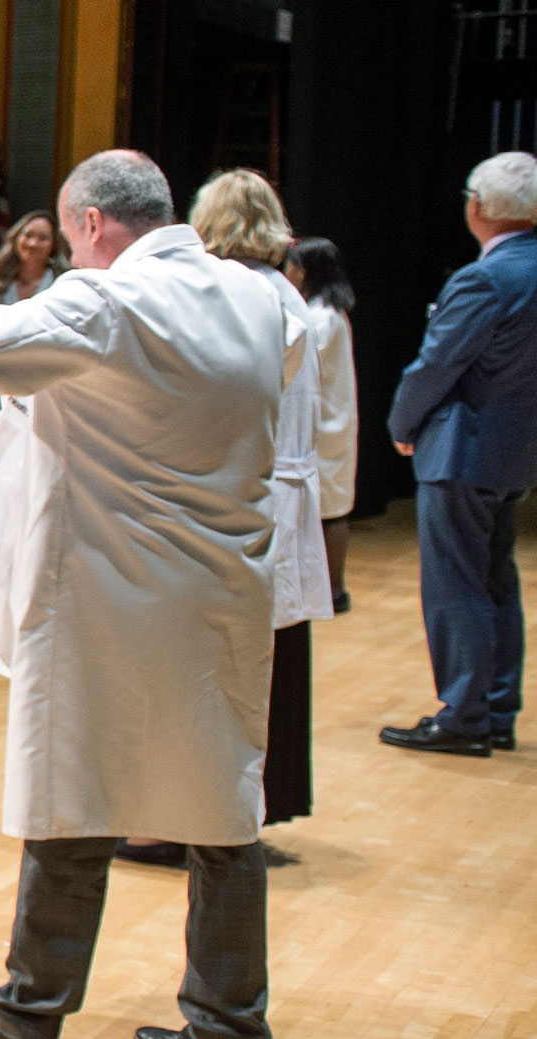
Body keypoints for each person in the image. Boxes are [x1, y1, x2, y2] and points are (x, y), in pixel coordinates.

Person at [0, 149, 299, 1039]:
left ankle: (29, 1015)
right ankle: (232, 1026)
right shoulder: (259, 297)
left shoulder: (106, 305)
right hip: (222, 592)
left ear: (91, 225)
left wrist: (46, 307)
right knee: (225, 810)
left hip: (105, 592)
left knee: (73, 794)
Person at [382, 151, 537, 757]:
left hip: (461, 450)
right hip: (514, 449)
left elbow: (436, 363)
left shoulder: (482, 278)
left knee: (455, 585)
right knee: (495, 583)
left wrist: (401, 422)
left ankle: (462, 715)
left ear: (477, 207)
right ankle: (495, 710)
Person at [190, 169, 331, 832]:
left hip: (246, 497)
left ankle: (218, 809)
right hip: (281, 496)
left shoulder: (237, 295)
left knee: (233, 666)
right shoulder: (285, 293)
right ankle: (258, 802)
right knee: (270, 660)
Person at [286, 236, 358, 612]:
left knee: (331, 509)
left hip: (327, 425)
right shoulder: (329, 312)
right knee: (332, 505)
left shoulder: (321, 318)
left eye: (295, 264)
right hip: (333, 420)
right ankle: (331, 588)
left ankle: (333, 589)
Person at [0, 209, 64, 305]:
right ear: (16, 237)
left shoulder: (61, 284)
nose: (32, 244)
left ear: (54, 244)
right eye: (28, 235)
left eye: (43, 238)